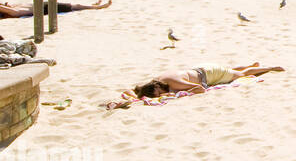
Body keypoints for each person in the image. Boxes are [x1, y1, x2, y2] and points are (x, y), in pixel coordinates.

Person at [106, 62, 285, 109]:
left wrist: (171, 95)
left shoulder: (172, 82)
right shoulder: (158, 79)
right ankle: (252, 65)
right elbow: (133, 91)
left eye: (158, 93)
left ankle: (270, 67)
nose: (160, 94)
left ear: (156, 87)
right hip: (204, 69)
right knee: (232, 71)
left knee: (240, 75)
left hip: (209, 74)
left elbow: (200, 89)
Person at [0, 0, 112, 19]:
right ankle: (97, 7)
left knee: (74, 5)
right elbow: (7, 10)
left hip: (45, 4)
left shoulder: (14, 6)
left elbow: (5, 6)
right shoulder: (16, 12)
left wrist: (5, 4)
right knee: (74, 6)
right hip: (47, 8)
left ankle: (91, 5)